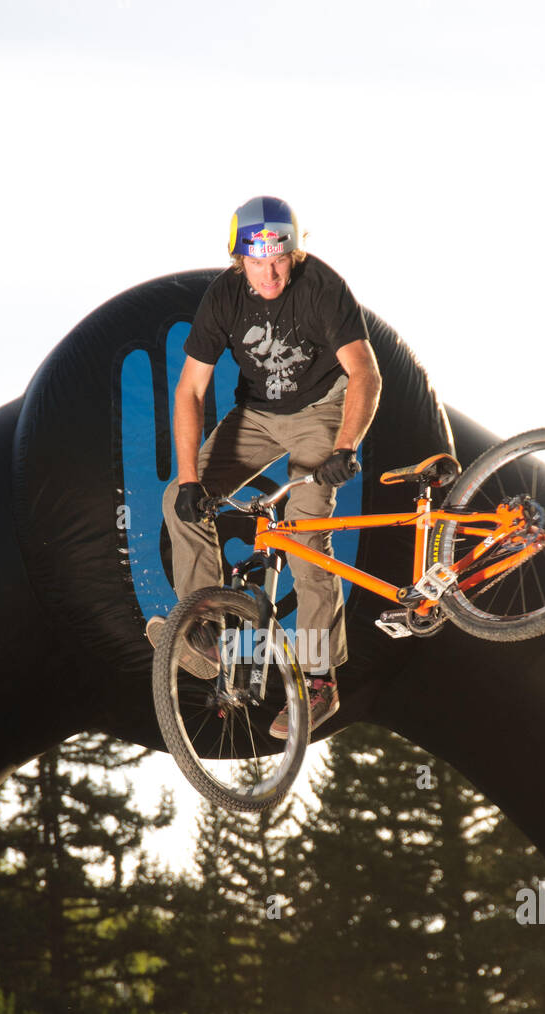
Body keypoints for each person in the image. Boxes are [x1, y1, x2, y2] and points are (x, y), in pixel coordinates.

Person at [148, 195, 382, 737]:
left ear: (293, 254)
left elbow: (365, 373)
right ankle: (206, 634)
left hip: (321, 410)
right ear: (240, 260)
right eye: (258, 262)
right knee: (178, 501)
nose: (270, 274)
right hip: (255, 415)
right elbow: (190, 391)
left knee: (303, 535)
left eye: (279, 260)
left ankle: (319, 680)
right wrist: (190, 480)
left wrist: (345, 447)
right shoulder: (224, 297)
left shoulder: (321, 286)